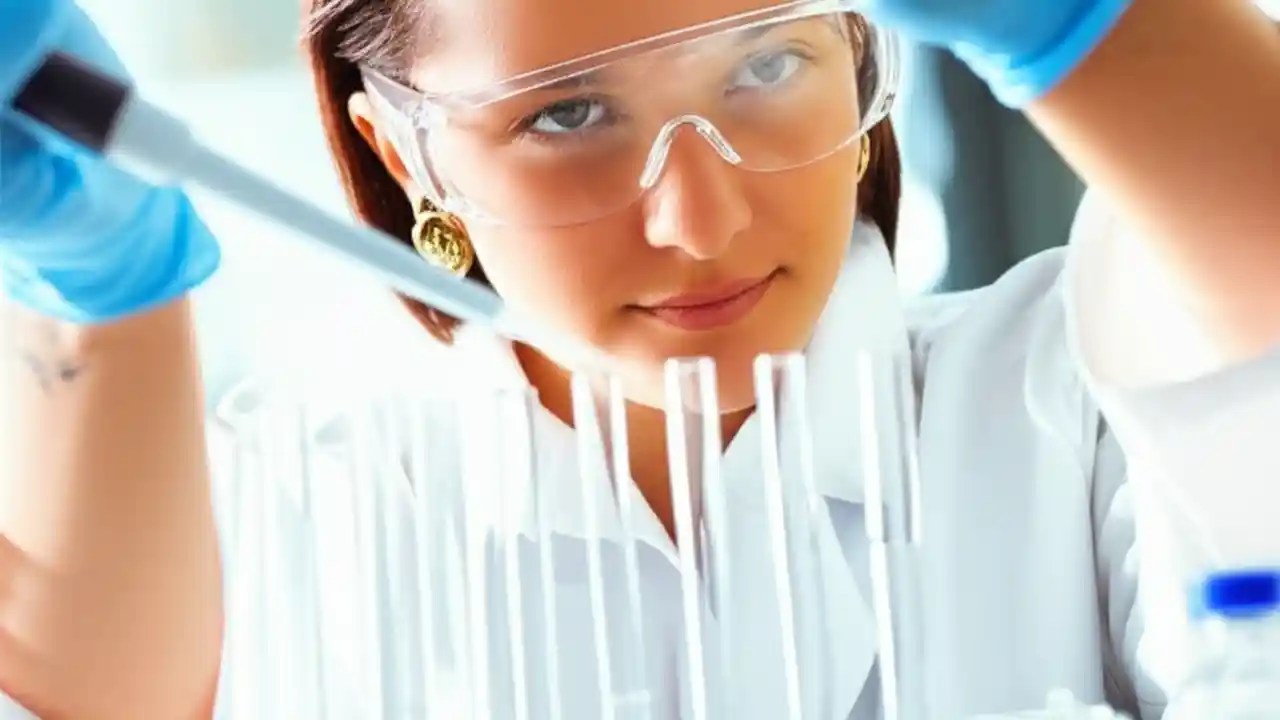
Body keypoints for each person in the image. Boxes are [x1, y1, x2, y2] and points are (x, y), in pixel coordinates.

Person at [1, 0, 1278, 717]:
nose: (696, 219)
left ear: (861, 53)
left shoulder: (1072, 388)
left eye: (767, 65)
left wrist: (1106, 28)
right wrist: (104, 292)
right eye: (567, 114)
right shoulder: (283, 502)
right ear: (406, 159)